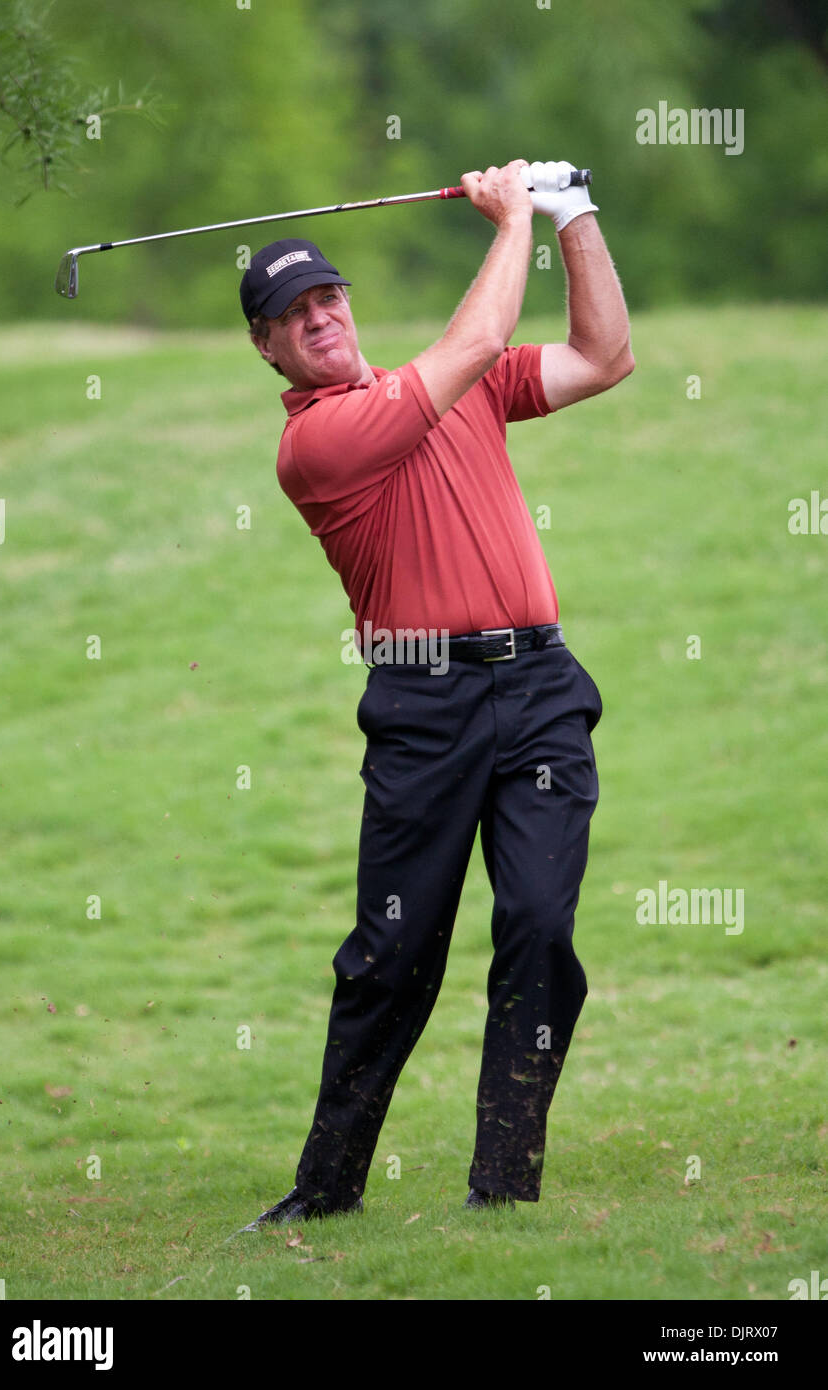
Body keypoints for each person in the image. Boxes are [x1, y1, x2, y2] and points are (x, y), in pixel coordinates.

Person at [236, 159, 634, 1230]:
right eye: (290, 313)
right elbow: (463, 351)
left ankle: (504, 1182)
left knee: (541, 925)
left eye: (327, 296)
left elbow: (605, 355)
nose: (317, 317)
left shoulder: (461, 395)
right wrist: (509, 221)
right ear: (266, 347)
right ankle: (326, 1189)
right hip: (425, 707)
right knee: (393, 954)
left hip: (540, 686)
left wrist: (570, 215)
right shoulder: (315, 443)